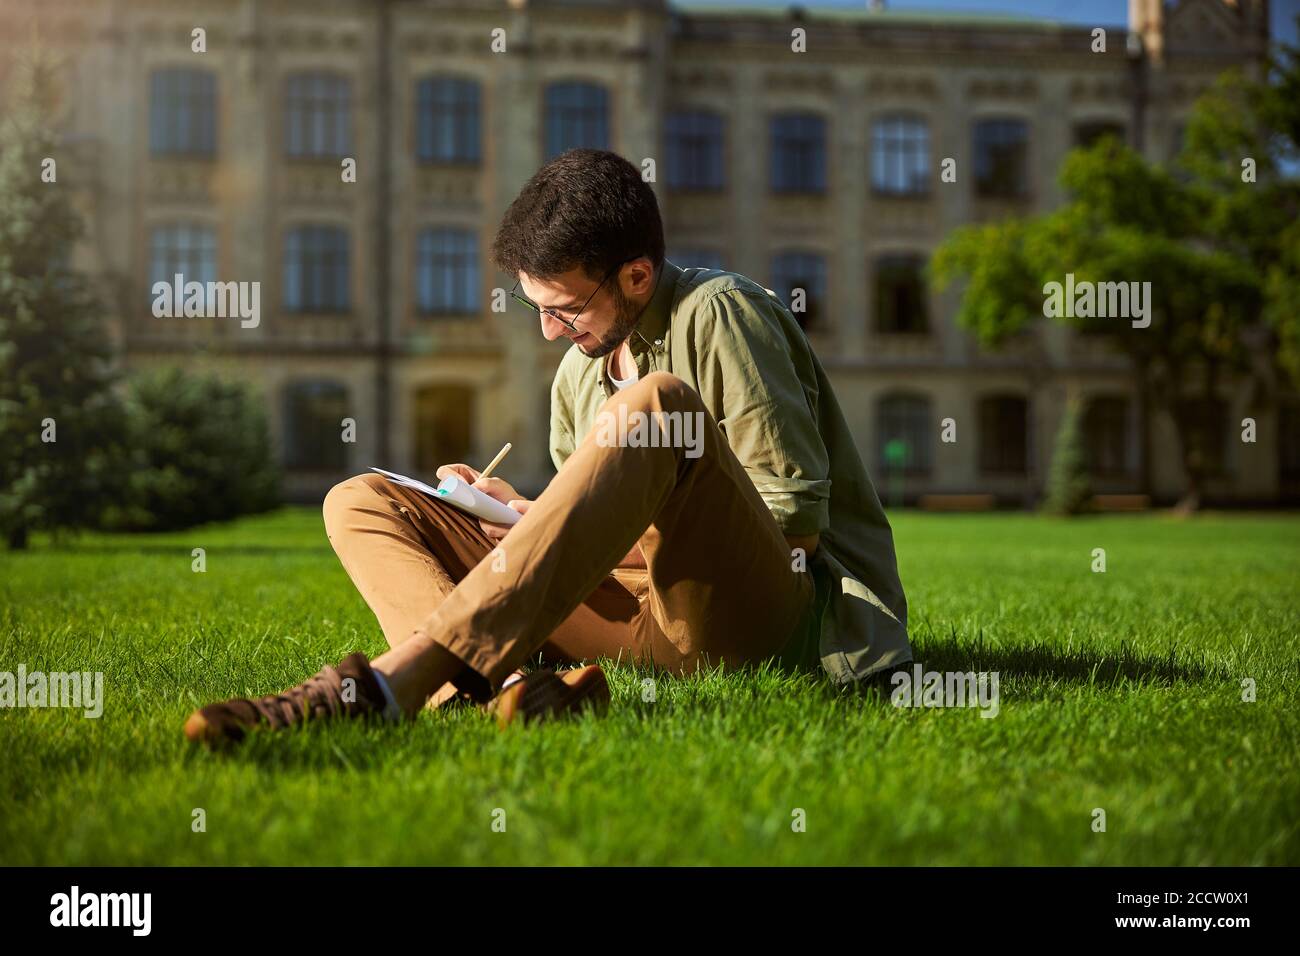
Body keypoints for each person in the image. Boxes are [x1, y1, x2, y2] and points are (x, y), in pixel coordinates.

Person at [184, 149, 912, 746]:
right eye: (539, 310)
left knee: (656, 403)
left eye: (564, 309)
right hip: (640, 622)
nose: (549, 332)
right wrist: (522, 513)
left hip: (763, 620)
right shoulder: (576, 374)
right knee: (362, 499)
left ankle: (388, 684)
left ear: (636, 275)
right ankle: (504, 691)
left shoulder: (719, 314)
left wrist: (539, 527)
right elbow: (593, 537)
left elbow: (796, 533)